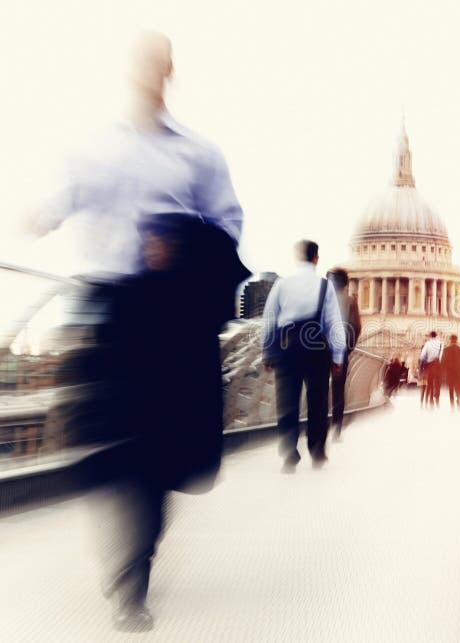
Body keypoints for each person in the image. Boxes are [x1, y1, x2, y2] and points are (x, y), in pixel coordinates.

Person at [26, 32, 248, 632]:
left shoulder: (200, 155)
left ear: (170, 70)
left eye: (159, 62)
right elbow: (56, 205)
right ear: (131, 70)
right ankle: (128, 554)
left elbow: (229, 224)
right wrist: (35, 217)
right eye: (141, 62)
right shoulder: (92, 149)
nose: (150, 71)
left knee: (157, 451)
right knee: (107, 439)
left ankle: (134, 575)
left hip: (170, 315)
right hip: (109, 308)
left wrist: (181, 240)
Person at [262, 240, 346, 471]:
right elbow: (334, 323)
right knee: (318, 402)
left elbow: (269, 318)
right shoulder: (324, 286)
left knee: (287, 403)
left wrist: (268, 352)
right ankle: (317, 452)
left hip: (287, 347)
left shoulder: (282, 285)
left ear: (297, 258)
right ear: (316, 258)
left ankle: (289, 455)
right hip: (316, 347)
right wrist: (338, 357)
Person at [326, 267, 361, 439]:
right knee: (338, 390)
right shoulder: (350, 301)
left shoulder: (322, 300)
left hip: (319, 351)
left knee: (317, 388)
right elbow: (356, 328)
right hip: (340, 353)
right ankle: (336, 428)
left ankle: (318, 427)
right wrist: (348, 349)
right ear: (346, 284)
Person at [441, 334, 460, 410]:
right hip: (459, 373)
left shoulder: (446, 350)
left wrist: (442, 373)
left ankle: (452, 405)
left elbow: (443, 362)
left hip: (450, 373)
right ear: (456, 340)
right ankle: (458, 402)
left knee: (451, 389)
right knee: (458, 389)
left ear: (450, 340)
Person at [419, 331, 444, 408]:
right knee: (437, 384)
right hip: (438, 366)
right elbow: (443, 355)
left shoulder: (428, 344)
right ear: (436, 336)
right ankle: (437, 401)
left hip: (430, 366)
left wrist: (422, 368)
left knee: (429, 385)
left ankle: (429, 402)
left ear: (430, 336)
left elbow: (422, 356)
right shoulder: (441, 343)